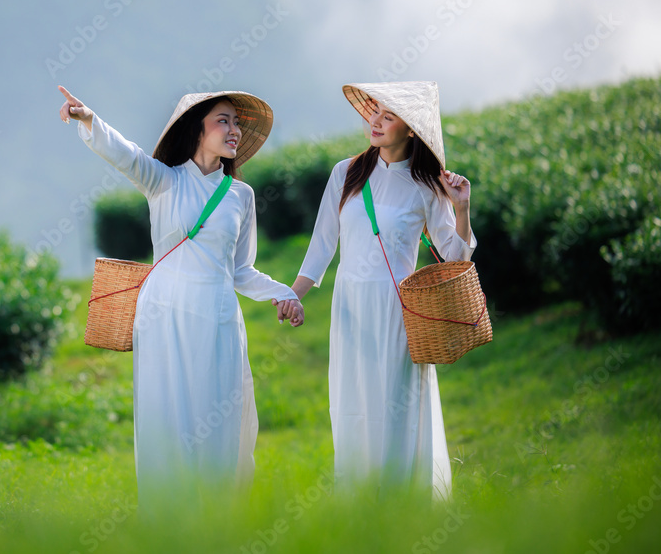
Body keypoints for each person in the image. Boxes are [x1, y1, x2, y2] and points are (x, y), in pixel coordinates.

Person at [57, 85, 303, 510]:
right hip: (164, 316)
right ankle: (169, 519)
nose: (233, 131)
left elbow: (241, 269)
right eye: (222, 121)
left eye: (236, 124)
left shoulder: (240, 196)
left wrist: (284, 295)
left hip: (219, 317)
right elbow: (126, 155)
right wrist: (88, 120)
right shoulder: (164, 181)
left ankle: (219, 516)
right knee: (167, 414)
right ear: (197, 130)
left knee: (221, 415)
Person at [288, 81, 474, 500]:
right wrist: (294, 294)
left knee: (396, 401)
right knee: (352, 400)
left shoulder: (427, 186)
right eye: (376, 112)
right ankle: (358, 502)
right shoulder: (347, 172)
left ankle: (402, 500)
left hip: (396, 310)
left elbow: (456, 259)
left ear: (411, 130)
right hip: (350, 307)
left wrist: (461, 209)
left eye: (388, 116)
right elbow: (322, 244)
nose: (375, 120)